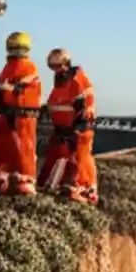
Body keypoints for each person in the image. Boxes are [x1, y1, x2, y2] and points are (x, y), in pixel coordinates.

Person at [39, 48, 97, 204]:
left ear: (66, 64)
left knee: (79, 159)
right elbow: (58, 103)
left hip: (78, 130)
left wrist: (79, 127)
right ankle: (54, 185)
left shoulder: (77, 80)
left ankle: (85, 190)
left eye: (57, 66)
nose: (55, 71)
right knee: (55, 157)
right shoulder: (60, 82)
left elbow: (86, 104)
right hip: (63, 129)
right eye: (52, 67)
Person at [0, 32, 42, 196]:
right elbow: (3, 90)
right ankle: (5, 179)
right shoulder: (8, 68)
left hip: (22, 114)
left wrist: (10, 95)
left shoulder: (28, 67)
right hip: (8, 113)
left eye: (17, 49)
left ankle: (24, 181)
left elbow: (29, 91)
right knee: (6, 148)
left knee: (24, 148)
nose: (15, 52)